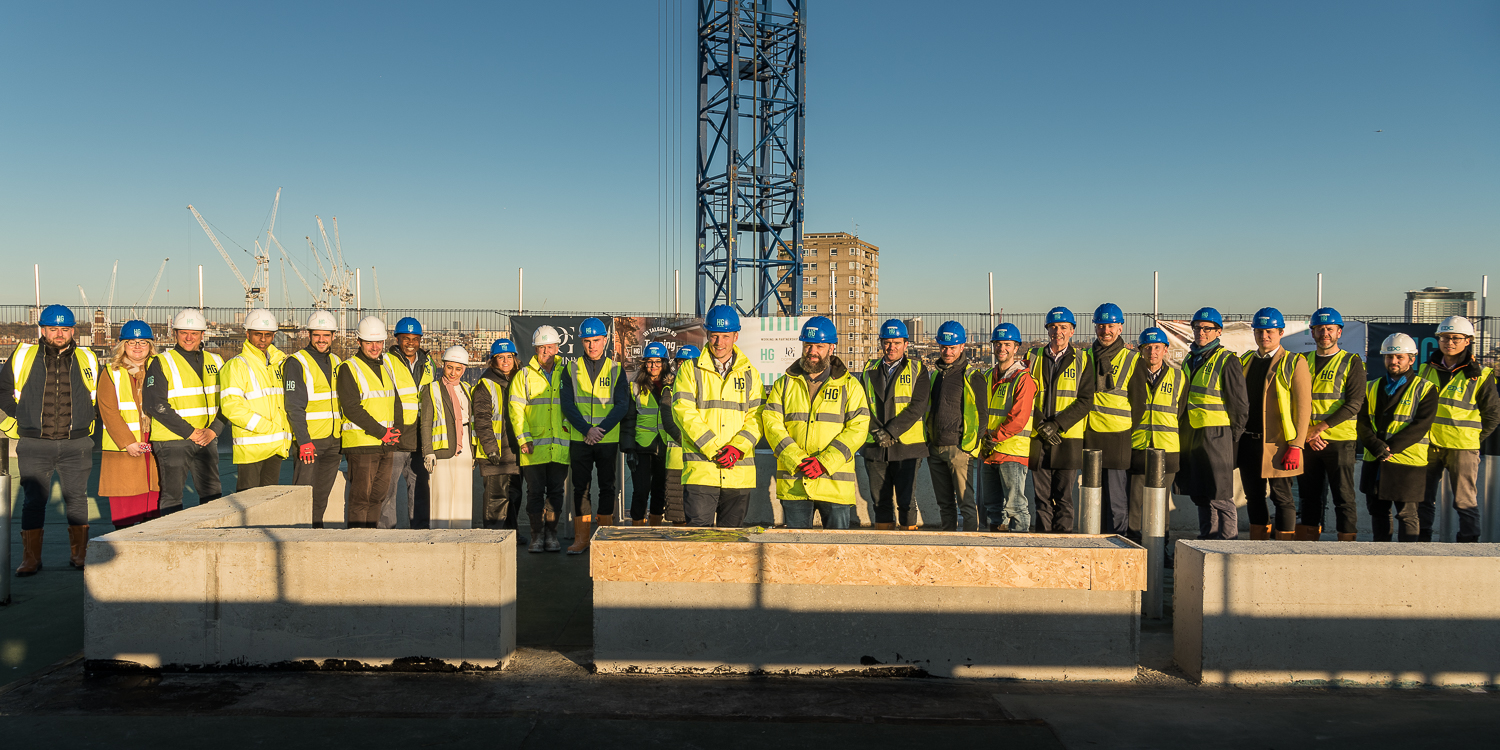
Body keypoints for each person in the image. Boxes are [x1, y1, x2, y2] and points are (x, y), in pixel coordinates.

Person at [1, 304, 99, 574]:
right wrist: (22, 418)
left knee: (77, 498)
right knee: (34, 500)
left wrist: (85, 420)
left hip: (76, 443)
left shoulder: (88, 358)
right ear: (42, 329)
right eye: (53, 328)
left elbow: (99, 397)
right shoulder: (22, 355)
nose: (59, 334)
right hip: (35, 443)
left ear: (72, 331)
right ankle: (31, 558)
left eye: (65, 329)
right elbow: (3, 390)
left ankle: (80, 554)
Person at [763, 317, 870, 529]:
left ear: (832, 347)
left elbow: (858, 430)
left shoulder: (850, 386)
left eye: (819, 346)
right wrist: (798, 460)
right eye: (808, 345)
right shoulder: (784, 384)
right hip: (795, 483)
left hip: (834, 484)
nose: (812, 351)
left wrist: (824, 463)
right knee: (796, 553)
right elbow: (771, 424)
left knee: (836, 551)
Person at [672, 306, 764, 527]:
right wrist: (715, 449)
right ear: (707, 335)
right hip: (702, 472)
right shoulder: (689, 370)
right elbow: (683, 413)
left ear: (736, 336)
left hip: (738, 474)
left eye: (725, 336)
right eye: (714, 335)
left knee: (731, 547)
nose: (719, 342)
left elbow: (757, 417)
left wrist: (737, 448)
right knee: (699, 543)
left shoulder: (751, 374)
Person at [1416, 316, 1500, 542]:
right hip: (1428, 445)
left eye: (1455, 338)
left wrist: (1473, 438)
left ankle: (1469, 546)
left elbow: (1492, 415)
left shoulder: (1480, 375)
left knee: (1464, 500)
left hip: (1462, 448)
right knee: (1422, 498)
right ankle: (1421, 544)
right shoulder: (1424, 370)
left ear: (1468, 341)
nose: (1449, 342)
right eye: (1444, 337)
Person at [1237, 307, 1312, 540]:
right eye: (1259, 331)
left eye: (1269, 331)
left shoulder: (1294, 362)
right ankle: (1258, 546)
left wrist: (1297, 446)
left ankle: (1283, 549)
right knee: (1254, 497)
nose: (1264, 336)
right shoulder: (1246, 360)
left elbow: (1303, 408)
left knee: (1282, 497)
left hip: (1278, 444)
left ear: (1281, 332)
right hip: (1249, 442)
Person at [559, 317, 632, 553]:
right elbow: (567, 405)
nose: (592, 346)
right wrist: (586, 430)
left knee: (607, 487)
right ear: (582, 341)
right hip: (580, 439)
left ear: (605, 340)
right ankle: (581, 539)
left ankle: (605, 538)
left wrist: (599, 430)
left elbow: (622, 405)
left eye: (596, 341)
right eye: (588, 341)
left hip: (606, 440)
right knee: (581, 488)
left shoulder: (616, 369)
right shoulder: (570, 369)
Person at [144, 307, 226, 515]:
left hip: (206, 438)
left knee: (212, 493)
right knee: (172, 497)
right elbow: (155, 404)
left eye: (194, 333)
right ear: (175, 334)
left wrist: (213, 430)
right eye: (183, 333)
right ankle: (171, 544)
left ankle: (213, 539)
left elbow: (227, 400)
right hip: (173, 440)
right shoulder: (161, 362)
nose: (189, 338)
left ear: (202, 335)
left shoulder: (216, 361)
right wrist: (190, 432)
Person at [1176, 307, 1249, 540]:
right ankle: (1208, 538)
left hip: (1217, 435)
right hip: (1193, 434)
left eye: (1207, 329)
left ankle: (1229, 542)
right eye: (1197, 327)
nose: (1201, 332)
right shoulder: (1190, 358)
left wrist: (1232, 440)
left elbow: (1239, 405)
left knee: (1219, 493)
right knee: (1200, 492)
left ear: (1218, 332)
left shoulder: (1226, 360)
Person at [1359, 334, 1438, 542]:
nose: (1393, 362)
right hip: (1375, 460)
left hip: (1406, 462)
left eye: (1399, 357)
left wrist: (1389, 448)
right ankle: (1381, 557)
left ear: (1412, 359)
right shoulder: (1371, 387)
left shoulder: (1425, 389)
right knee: (1377, 511)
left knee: (1407, 515)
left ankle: (1408, 562)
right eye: (1388, 357)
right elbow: (1362, 423)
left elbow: (1421, 425)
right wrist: (1376, 447)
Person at [1296, 307, 1366, 541]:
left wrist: (1318, 429)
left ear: (1339, 332)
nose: (1324, 333)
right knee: (1309, 496)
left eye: (1329, 329)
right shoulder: (1302, 361)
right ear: (1312, 332)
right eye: (1319, 329)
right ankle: (1307, 545)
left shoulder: (1351, 361)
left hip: (1339, 441)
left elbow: (1354, 403)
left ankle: (1346, 549)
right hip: (1308, 440)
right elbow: (1294, 400)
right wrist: (1307, 433)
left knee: (1343, 497)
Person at [857, 319, 931, 530]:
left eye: (897, 342)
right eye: (887, 342)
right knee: (880, 502)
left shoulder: (918, 370)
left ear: (906, 344)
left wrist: (890, 431)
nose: (891, 347)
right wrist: (876, 431)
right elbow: (861, 405)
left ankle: (908, 546)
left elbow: (918, 406)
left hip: (906, 447)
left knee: (906, 502)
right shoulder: (869, 369)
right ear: (881, 343)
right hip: (875, 446)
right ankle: (884, 545)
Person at [1027, 306, 1095, 533]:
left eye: (1064, 327)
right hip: (1038, 438)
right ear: (1047, 330)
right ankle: (1043, 545)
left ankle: (1063, 545)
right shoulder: (1033, 357)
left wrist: (1056, 424)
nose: (1058, 332)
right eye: (1053, 327)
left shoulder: (1084, 360)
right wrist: (1040, 424)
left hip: (1067, 439)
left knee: (1064, 499)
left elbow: (1085, 401)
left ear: (1072, 331)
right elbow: (1025, 396)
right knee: (1041, 499)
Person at [337, 316, 405, 528]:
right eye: (369, 342)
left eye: (379, 342)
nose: (375, 347)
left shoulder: (384, 366)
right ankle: (357, 543)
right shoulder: (349, 368)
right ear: (359, 342)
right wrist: (382, 432)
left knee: (377, 497)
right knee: (360, 499)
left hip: (386, 444)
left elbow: (395, 402)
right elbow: (352, 408)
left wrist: (396, 432)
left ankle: (370, 539)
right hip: (362, 445)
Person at [510, 325, 569, 551]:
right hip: (533, 447)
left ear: (557, 348)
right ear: (535, 349)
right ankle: (536, 536)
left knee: (555, 492)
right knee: (534, 493)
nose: (547, 351)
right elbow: (516, 409)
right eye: (542, 347)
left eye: (550, 347)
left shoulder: (567, 373)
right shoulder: (523, 376)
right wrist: (523, 438)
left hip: (560, 446)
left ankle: (551, 536)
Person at [1126, 327, 1187, 543]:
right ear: (1140, 350)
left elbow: (1181, 414)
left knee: (1161, 504)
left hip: (1167, 450)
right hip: (1138, 448)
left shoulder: (1179, 377)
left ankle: (1162, 548)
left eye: (1157, 347)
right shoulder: (1131, 376)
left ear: (1165, 350)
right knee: (1134, 504)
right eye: (1148, 348)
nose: (1153, 352)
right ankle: (1133, 546)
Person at [925, 321, 987, 531]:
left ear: (962, 347)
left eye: (952, 347)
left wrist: (967, 447)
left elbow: (982, 416)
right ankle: (947, 549)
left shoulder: (971, 376)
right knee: (945, 505)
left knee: (966, 504)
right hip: (935, 448)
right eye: (944, 347)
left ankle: (970, 548)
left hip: (959, 450)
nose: (947, 351)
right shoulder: (935, 375)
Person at [218, 309, 290, 492]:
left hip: (275, 445)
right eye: (258, 334)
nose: (263, 339)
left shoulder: (279, 363)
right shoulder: (237, 365)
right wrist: (266, 427)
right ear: (248, 334)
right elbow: (231, 407)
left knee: (270, 500)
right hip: (252, 447)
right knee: (248, 502)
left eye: (268, 335)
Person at [97, 321, 160, 530]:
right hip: (125, 447)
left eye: (143, 342)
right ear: (122, 345)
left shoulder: (160, 369)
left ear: (151, 345)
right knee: (127, 508)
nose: (137, 347)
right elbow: (108, 411)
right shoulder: (111, 372)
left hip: (154, 442)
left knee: (153, 502)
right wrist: (128, 442)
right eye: (131, 342)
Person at [284, 310, 343, 527]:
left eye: (326, 335)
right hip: (310, 442)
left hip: (333, 441)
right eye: (317, 335)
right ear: (309, 335)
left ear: (333, 336)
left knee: (321, 497)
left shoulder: (337, 361)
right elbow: (293, 406)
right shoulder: (297, 362)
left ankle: (315, 533)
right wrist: (303, 441)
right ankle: (299, 535)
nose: (321, 340)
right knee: (302, 497)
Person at [1085, 303, 1140, 536]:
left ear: (1120, 328)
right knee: (1094, 498)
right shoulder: (1086, 356)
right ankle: (1097, 542)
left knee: (1117, 499)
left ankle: (1119, 541)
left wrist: (1126, 429)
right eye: (1100, 325)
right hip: (1090, 435)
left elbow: (1139, 403)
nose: (1105, 330)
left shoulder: (1132, 359)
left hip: (1118, 437)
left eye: (1110, 326)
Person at [981, 322, 1035, 532]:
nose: (1001, 348)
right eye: (997, 344)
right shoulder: (988, 377)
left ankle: (1020, 549)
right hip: (990, 451)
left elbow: (1019, 418)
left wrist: (994, 437)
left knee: (1016, 507)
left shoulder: (1023, 379)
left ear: (1016, 348)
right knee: (993, 508)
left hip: (1011, 452)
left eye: (1006, 344)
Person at [383, 317, 435, 529]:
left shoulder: (428, 363)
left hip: (419, 438)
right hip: (396, 437)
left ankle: (419, 533)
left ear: (420, 340)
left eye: (415, 338)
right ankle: (386, 534)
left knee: (420, 491)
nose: (411, 343)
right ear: (397, 339)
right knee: (388, 492)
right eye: (406, 338)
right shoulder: (387, 361)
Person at [420, 346, 477, 529]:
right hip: (441, 451)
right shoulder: (431, 389)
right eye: (449, 367)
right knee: (441, 498)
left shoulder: (467, 389)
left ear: (464, 370)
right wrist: (428, 451)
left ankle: (462, 535)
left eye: (458, 369)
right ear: (442, 365)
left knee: (463, 497)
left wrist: (473, 452)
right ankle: (439, 538)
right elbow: (426, 423)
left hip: (465, 449)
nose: (453, 373)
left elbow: (471, 423)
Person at [471, 339, 521, 533]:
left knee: (514, 497)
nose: (506, 361)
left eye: (509, 357)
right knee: (496, 500)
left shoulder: (519, 380)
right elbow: (482, 420)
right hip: (496, 454)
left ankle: (511, 535)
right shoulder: (486, 385)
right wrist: (491, 449)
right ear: (493, 360)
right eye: (501, 357)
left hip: (515, 452)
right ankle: (493, 538)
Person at [625, 342, 673, 526]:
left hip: (665, 446)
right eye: (649, 362)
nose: (653, 366)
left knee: (660, 490)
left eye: (658, 362)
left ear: (665, 363)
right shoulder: (635, 386)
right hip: (642, 446)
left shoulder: (674, 385)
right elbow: (629, 420)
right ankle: (637, 531)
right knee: (641, 490)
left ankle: (655, 530)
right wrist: (629, 448)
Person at [660, 344, 699, 525]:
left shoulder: (704, 392)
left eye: (688, 363)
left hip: (700, 462)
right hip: (677, 460)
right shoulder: (669, 391)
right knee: (678, 514)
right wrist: (692, 442)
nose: (684, 366)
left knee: (699, 514)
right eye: (681, 362)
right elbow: (668, 422)